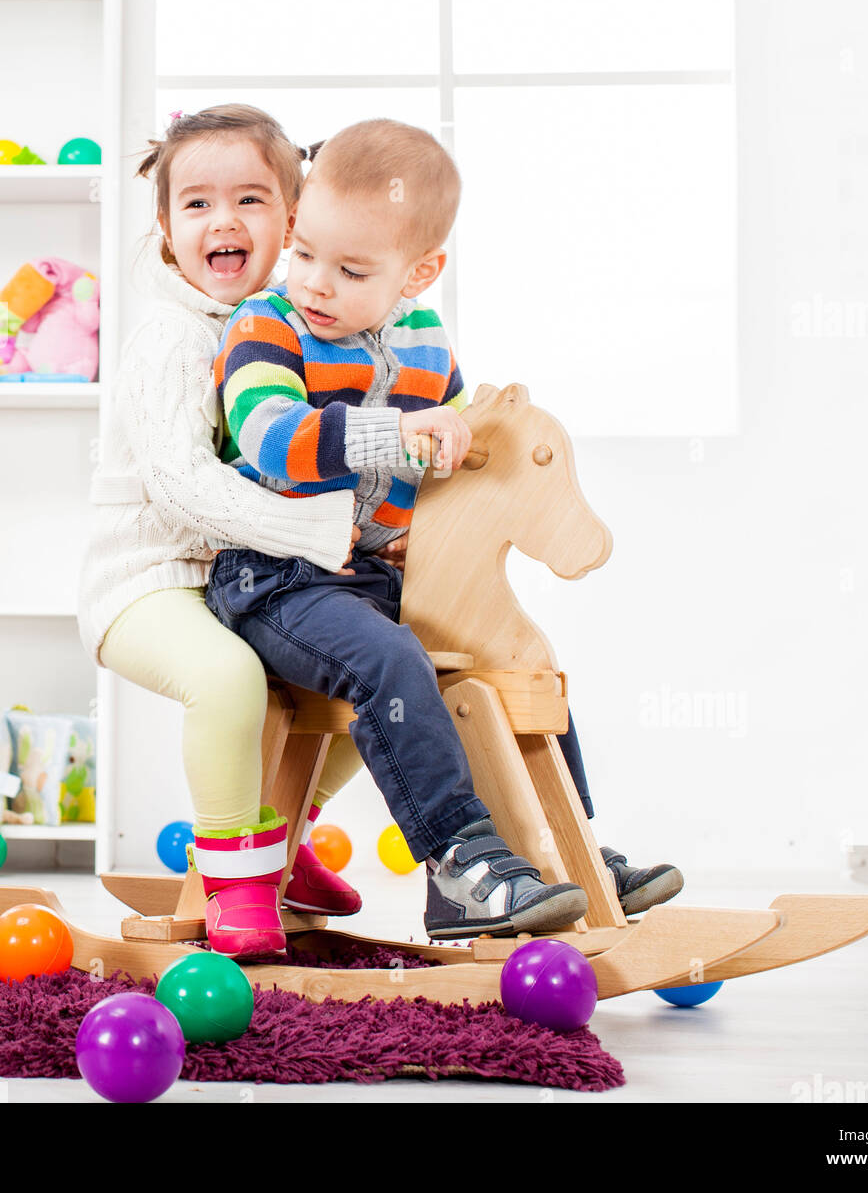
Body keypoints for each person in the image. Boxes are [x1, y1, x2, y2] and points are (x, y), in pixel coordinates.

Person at [205, 118, 683, 944]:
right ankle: (458, 863)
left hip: (380, 576)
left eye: (352, 270)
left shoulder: (426, 344)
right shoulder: (266, 326)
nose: (316, 282)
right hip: (275, 576)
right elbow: (268, 436)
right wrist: (400, 434)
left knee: (514, 652)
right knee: (393, 659)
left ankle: (565, 845)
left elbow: (453, 456)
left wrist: (468, 437)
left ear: (419, 272)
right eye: (305, 251)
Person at [77, 104, 380, 962]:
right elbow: (180, 491)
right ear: (168, 230)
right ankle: (238, 884)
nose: (225, 221)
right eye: (198, 205)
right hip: (147, 580)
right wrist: (321, 528)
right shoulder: (171, 338)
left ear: (293, 220)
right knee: (227, 679)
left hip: (245, 577)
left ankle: (282, 834)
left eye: (251, 199)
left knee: (372, 670)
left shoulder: (304, 333)